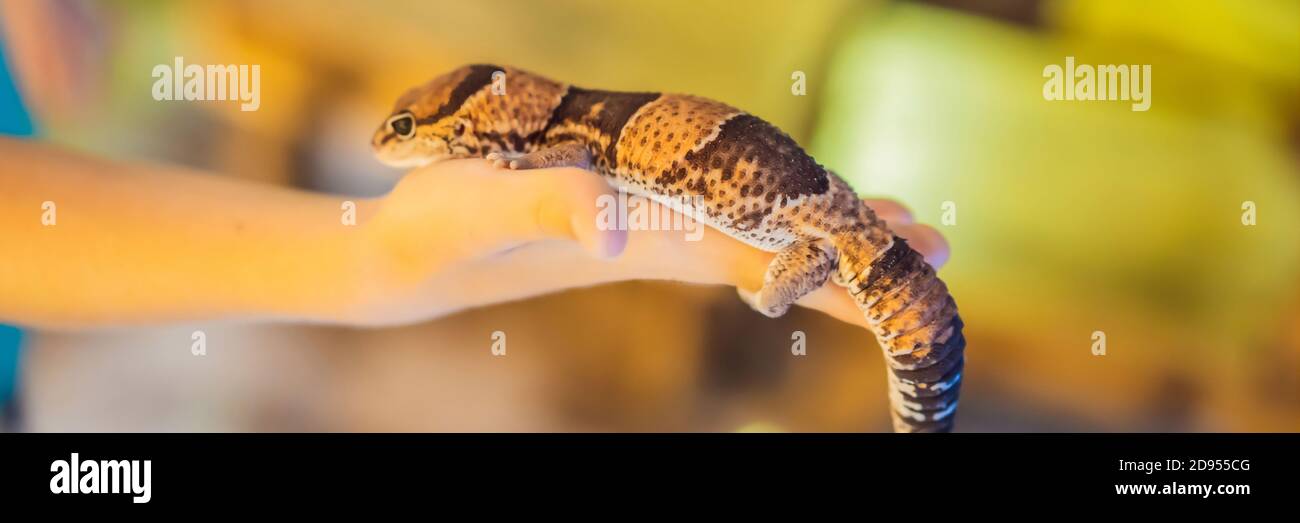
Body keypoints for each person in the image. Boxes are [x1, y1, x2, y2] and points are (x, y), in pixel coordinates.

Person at [0, 137, 949, 331]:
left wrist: (366, 258)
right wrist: (368, 257)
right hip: (820, 209)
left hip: (817, 224)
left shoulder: (816, 250)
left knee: (758, 279)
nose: (389, 147)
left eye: (407, 137)